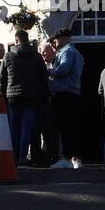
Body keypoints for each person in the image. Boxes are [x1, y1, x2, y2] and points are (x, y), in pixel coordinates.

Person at [0, 30, 48, 166]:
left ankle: (13, 157)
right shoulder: (36, 56)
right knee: (28, 128)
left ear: (16, 40)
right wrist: (44, 94)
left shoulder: (8, 56)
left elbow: (1, 77)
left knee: (14, 128)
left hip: (12, 97)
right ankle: (22, 156)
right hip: (31, 96)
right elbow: (43, 77)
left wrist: (3, 93)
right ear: (27, 40)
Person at [46, 28, 84, 169]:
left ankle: (67, 158)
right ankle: (75, 158)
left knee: (65, 127)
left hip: (64, 94)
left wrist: (48, 71)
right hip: (71, 93)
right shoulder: (76, 52)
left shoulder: (67, 51)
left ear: (62, 38)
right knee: (72, 127)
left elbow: (63, 69)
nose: (54, 43)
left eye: (55, 40)